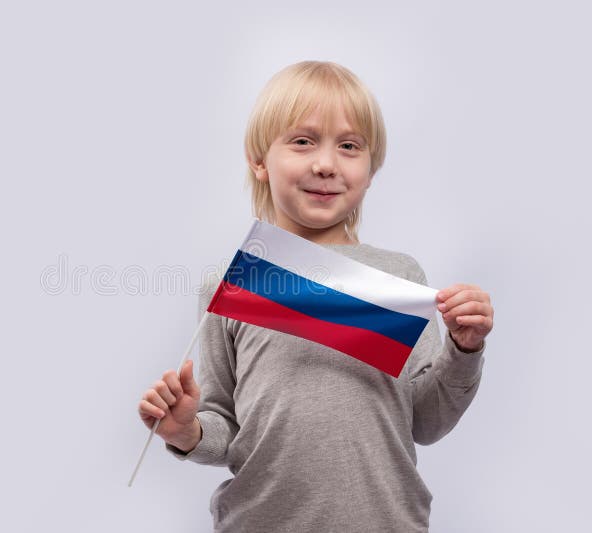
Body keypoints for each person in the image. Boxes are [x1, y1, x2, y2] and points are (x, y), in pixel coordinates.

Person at [136, 61, 494, 532]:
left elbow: (426, 422)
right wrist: (188, 431)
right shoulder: (233, 284)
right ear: (259, 159)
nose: (326, 163)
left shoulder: (399, 278)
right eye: (303, 141)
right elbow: (226, 427)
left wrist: (463, 349)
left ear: (370, 171)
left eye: (349, 146)